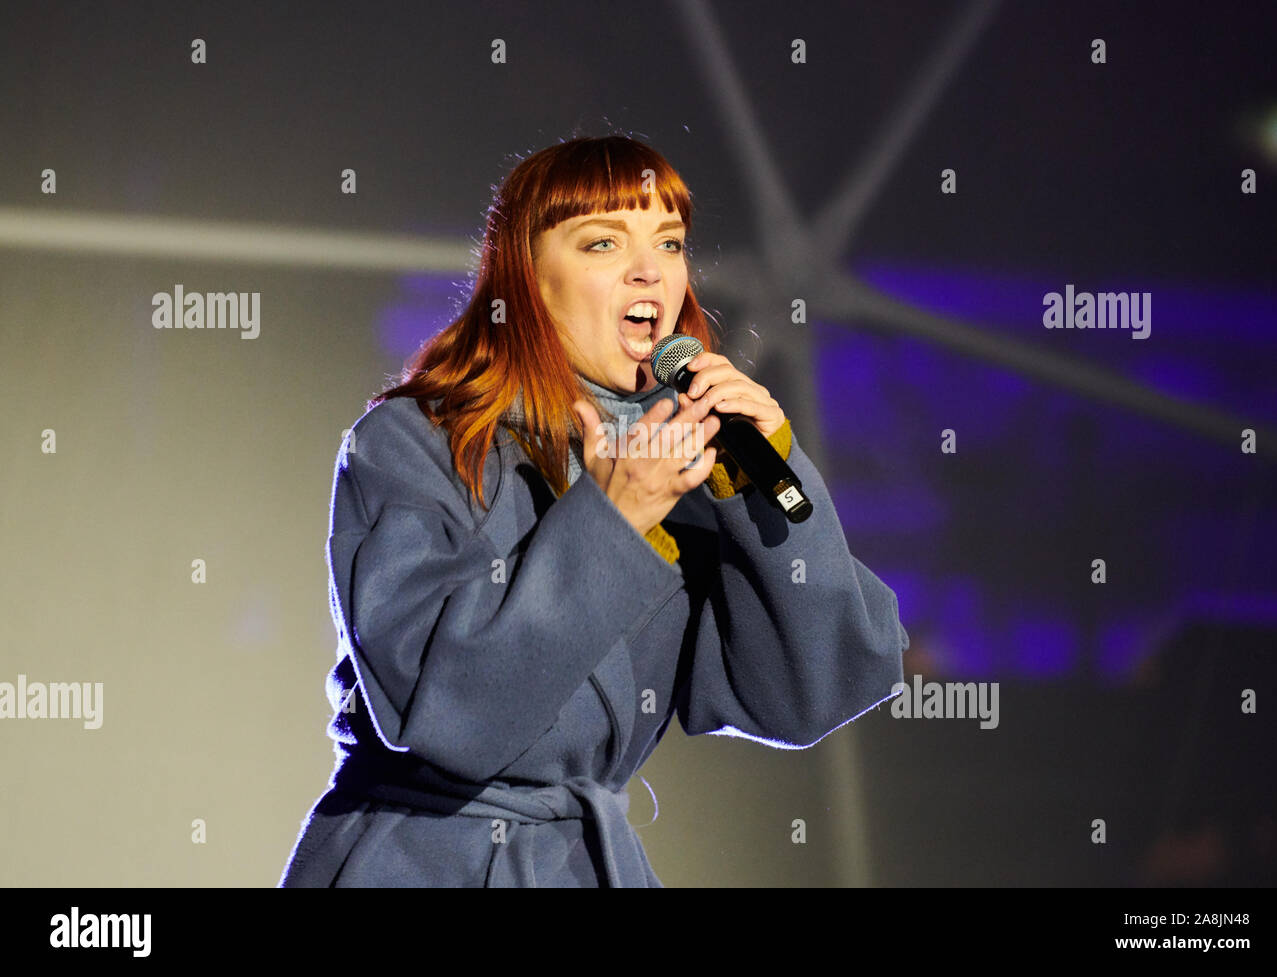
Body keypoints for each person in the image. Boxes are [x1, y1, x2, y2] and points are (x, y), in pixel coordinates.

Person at [278, 135, 909, 887]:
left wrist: (766, 473)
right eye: (604, 241)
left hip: (582, 868)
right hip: (418, 860)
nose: (651, 269)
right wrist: (612, 521)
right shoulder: (412, 444)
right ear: (530, 280)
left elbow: (818, 691)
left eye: (669, 242)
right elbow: (449, 713)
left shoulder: (683, 465)